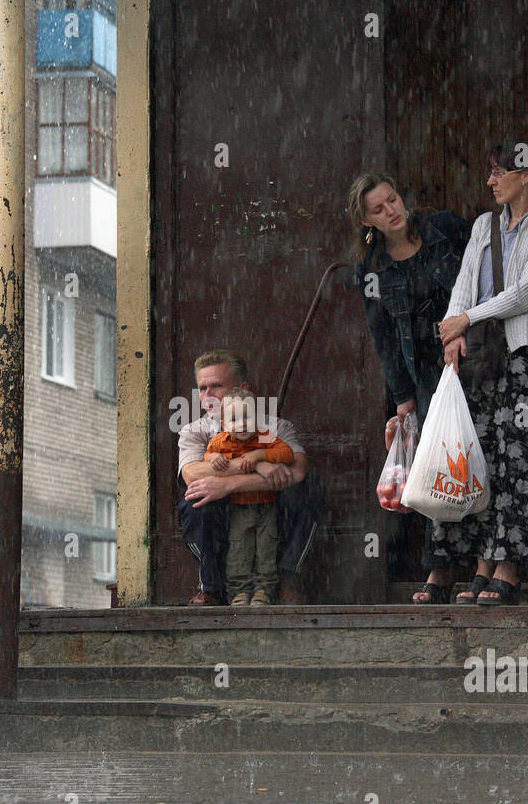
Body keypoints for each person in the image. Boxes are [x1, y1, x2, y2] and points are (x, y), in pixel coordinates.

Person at [433, 141, 528, 606]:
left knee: (517, 461)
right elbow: (463, 285)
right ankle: (480, 564)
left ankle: (508, 568)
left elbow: (525, 293)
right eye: (489, 172)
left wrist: (468, 320)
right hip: (476, 357)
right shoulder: (482, 225)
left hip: (517, 355)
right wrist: (453, 332)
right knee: (477, 458)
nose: (491, 181)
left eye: (499, 172)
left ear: (526, 174)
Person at [348, 173, 470, 603]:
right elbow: (380, 332)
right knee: (436, 467)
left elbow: (481, 277)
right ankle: (440, 570)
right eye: (378, 210)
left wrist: (469, 325)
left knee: (478, 454)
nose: (391, 211)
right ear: (367, 221)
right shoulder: (371, 267)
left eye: (393, 199)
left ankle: (486, 565)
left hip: (471, 357)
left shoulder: (444, 228)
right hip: (423, 370)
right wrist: (402, 396)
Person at [177, 349, 323, 606]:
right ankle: (210, 586)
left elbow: (298, 471)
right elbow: (193, 474)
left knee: (309, 488)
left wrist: (229, 483)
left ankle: (287, 580)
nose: (207, 396)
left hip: (270, 509)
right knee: (196, 501)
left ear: (241, 389)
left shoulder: (274, 428)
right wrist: (261, 465)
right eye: (202, 388)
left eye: (216, 386)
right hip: (225, 515)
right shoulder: (196, 431)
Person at [204, 388, 297, 605]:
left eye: (248, 416)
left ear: (258, 418)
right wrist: (213, 457)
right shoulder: (220, 441)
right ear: (224, 423)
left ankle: (264, 591)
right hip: (238, 507)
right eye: (234, 419)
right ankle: (239, 592)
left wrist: (259, 455)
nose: (242, 423)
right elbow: (208, 453)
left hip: (267, 506)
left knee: (266, 548)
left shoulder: (264, 436)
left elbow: (288, 454)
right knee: (239, 549)